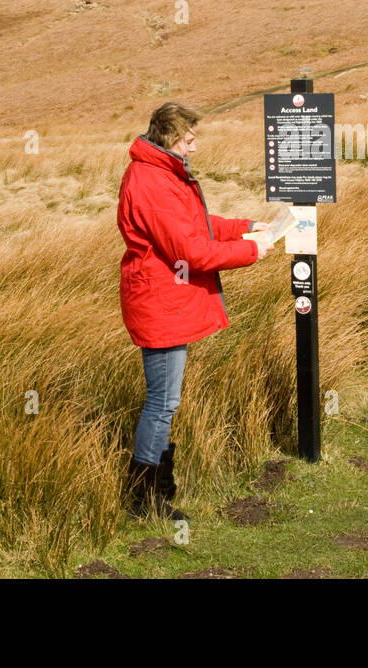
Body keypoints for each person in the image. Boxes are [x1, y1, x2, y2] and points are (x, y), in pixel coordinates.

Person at [116, 101, 274, 521]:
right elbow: (189, 250)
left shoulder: (160, 173)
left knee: (165, 399)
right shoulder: (151, 181)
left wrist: (246, 226)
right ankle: (143, 498)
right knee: (162, 402)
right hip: (160, 303)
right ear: (168, 138)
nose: (194, 147)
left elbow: (196, 224)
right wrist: (251, 251)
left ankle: (159, 489)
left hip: (165, 298)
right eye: (189, 139)